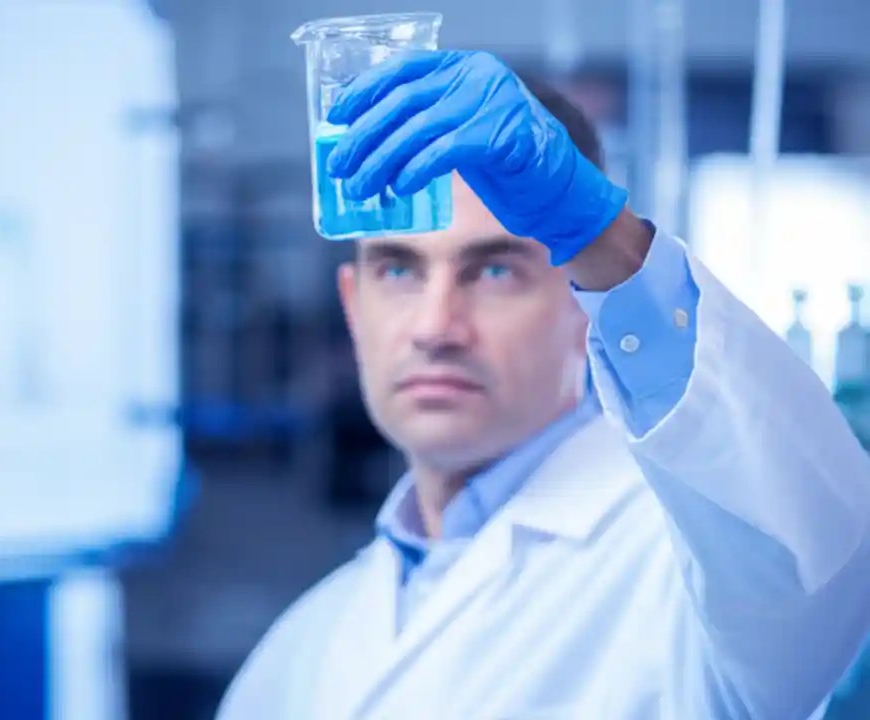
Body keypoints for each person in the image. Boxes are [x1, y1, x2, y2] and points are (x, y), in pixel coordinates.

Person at [217, 49, 870, 719]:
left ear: (579, 304)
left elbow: (820, 558)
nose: (436, 327)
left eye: (495, 271)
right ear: (353, 307)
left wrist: (601, 235)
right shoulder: (303, 645)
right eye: (397, 271)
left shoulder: (689, 574)